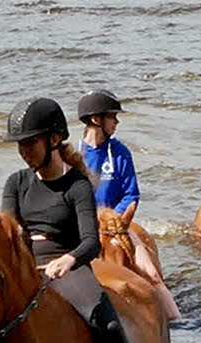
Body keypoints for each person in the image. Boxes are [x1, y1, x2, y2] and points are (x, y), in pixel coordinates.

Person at [0, 97, 166, 343]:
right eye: (21, 145)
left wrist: (67, 260)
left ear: (55, 139)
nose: (25, 152)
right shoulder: (16, 183)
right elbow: (11, 233)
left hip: (69, 266)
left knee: (105, 324)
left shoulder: (76, 185)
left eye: (31, 143)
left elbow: (91, 242)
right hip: (27, 266)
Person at [77, 89, 181, 320]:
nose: (117, 121)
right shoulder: (73, 155)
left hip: (117, 227)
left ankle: (178, 322)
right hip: (84, 228)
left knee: (152, 275)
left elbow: (131, 194)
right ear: (97, 120)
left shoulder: (120, 152)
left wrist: (113, 220)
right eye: (112, 116)